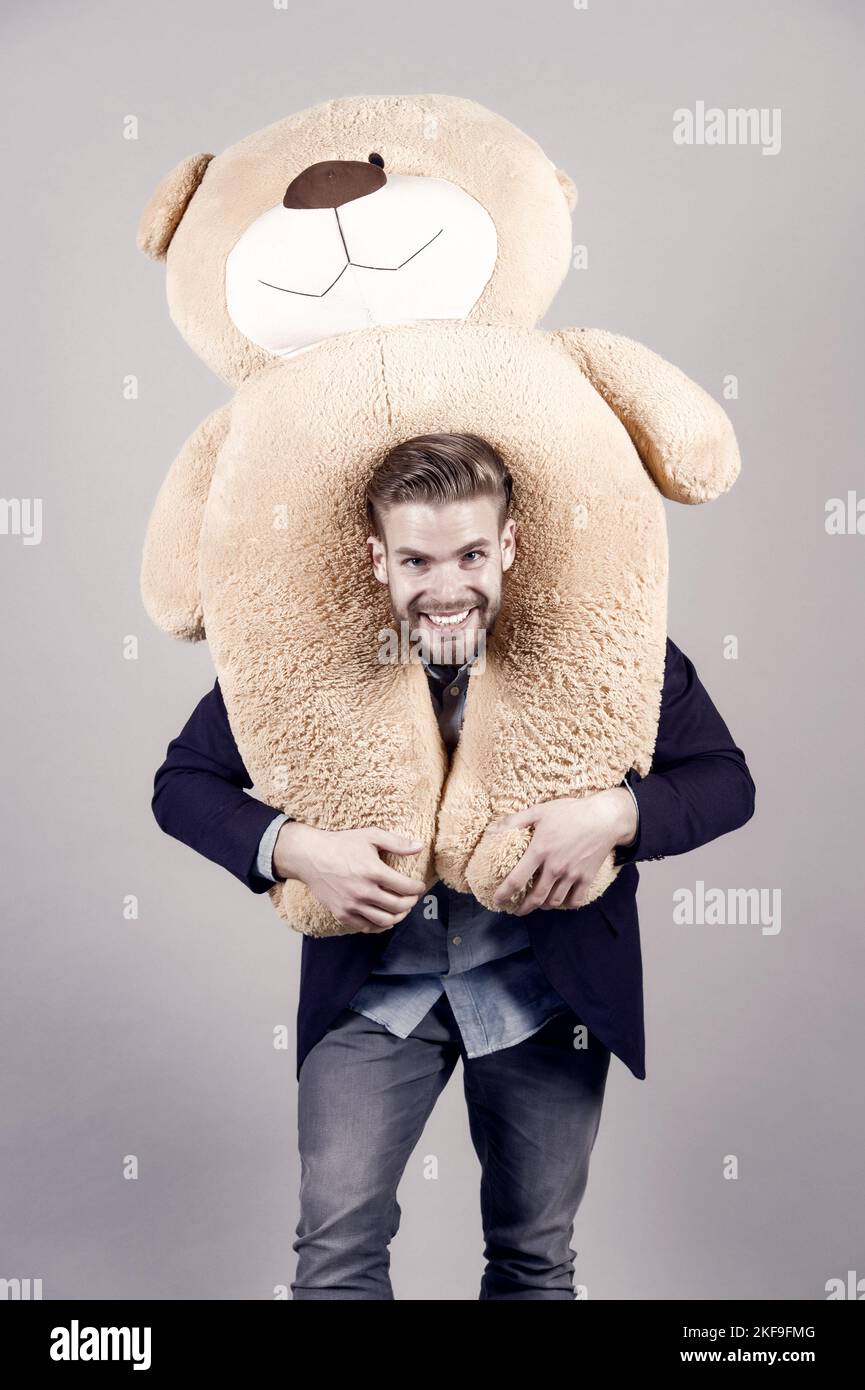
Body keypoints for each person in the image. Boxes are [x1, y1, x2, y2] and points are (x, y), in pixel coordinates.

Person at [151, 432, 756, 1300]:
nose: (446, 588)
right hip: (373, 994)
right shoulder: (305, 662)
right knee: (332, 1258)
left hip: (543, 995)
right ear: (377, 558)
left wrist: (615, 815)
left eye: (471, 553)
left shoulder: (609, 652)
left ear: (507, 545)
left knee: (534, 1263)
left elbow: (724, 781)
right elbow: (182, 784)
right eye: (416, 559)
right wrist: (292, 847)